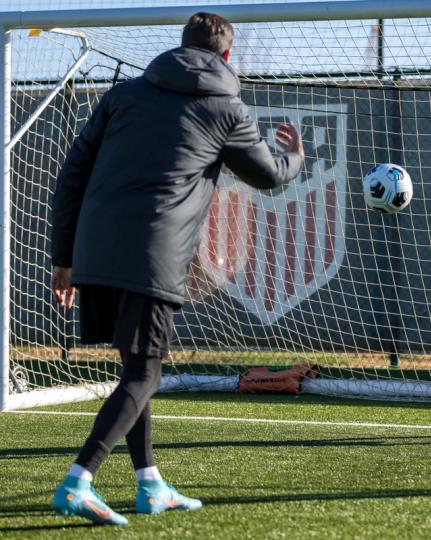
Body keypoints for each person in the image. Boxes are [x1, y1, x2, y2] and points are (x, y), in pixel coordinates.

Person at [49, 12, 305, 526]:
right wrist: (295, 156)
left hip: (96, 250)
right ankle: (80, 479)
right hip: (152, 255)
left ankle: (150, 485)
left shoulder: (123, 95)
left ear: (179, 47)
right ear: (228, 57)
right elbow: (271, 176)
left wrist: (64, 257)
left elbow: (73, 170)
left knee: (136, 370)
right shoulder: (225, 107)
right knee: (146, 373)